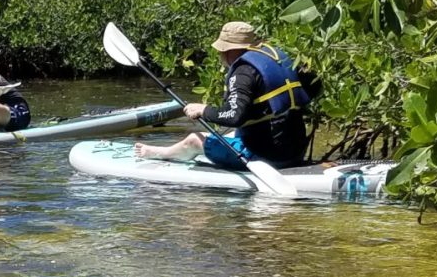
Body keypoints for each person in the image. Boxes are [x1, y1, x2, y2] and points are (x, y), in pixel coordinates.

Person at [134, 20, 316, 168]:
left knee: (194, 140)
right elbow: (316, 87)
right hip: (296, 151)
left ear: (230, 51)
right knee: (229, 135)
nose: (220, 54)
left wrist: (203, 110)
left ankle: (159, 154)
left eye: (222, 50)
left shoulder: (244, 71)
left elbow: (233, 116)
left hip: (265, 157)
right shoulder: (280, 58)